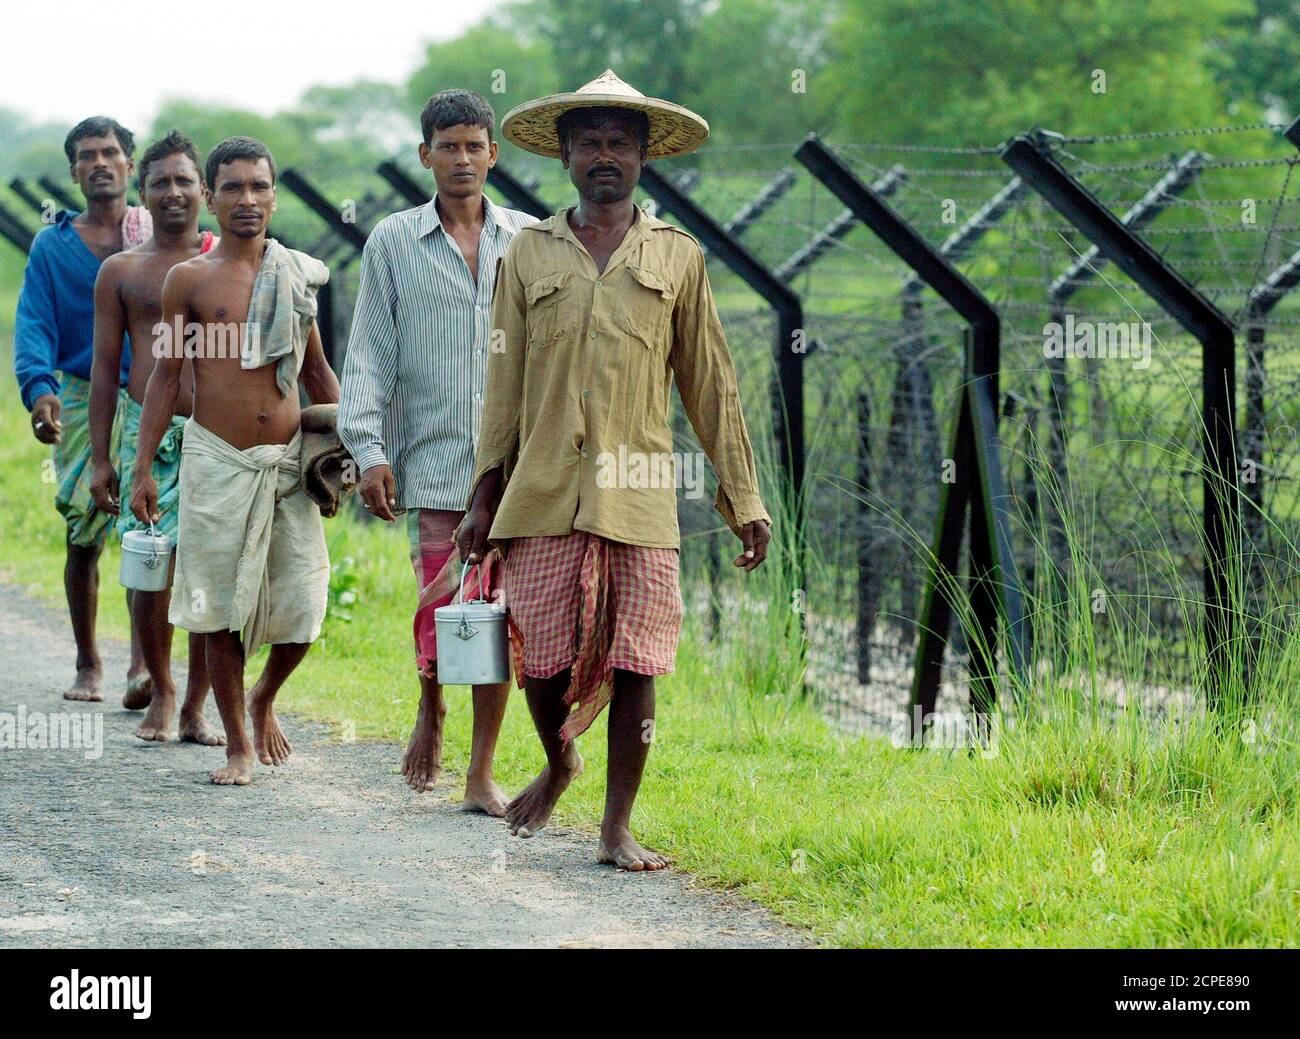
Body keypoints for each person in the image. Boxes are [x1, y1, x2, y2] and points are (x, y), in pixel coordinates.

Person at [459, 71, 772, 870]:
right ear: (565, 157)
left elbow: (711, 382)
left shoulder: (677, 256)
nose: (606, 155)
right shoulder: (527, 254)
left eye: (620, 142)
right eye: (590, 142)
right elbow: (503, 381)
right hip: (540, 488)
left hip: (637, 493)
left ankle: (614, 826)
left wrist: (744, 499)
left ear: (642, 157)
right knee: (542, 652)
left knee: (638, 658)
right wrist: (481, 494)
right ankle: (561, 758)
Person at [338, 90, 537, 814]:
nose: (461, 158)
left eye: (473, 145)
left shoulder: (529, 239)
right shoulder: (393, 241)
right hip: (434, 459)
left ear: (493, 153)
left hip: (519, 470)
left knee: (501, 617)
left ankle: (481, 771)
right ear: (425, 155)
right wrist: (368, 449)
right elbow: (369, 355)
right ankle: (431, 700)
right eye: (446, 146)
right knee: (441, 605)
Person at [130, 136, 339, 786]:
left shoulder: (295, 276)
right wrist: (142, 467)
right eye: (234, 188)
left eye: (258, 187)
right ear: (212, 198)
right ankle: (238, 746)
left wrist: (354, 453)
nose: (247, 199)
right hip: (217, 465)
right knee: (217, 607)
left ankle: (264, 694)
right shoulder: (188, 280)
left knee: (304, 605)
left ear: (273, 196)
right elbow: (167, 374)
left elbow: (318, 374)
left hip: (285, 468)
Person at [14, 115, 154, 704]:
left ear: (129, 163)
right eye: (87, 155)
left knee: (149, 530)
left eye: (111, 152)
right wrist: (38, 388)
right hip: (77, 393)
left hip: (152, 391)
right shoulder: (53, 244)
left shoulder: (156, 238)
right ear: (73, 171)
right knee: (83, 528)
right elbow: (35, 322)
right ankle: (88, 662)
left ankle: (142, 667)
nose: (100, 162)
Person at [88, 129, 221, 745]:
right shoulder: (123, 270)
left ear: (204, 191)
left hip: (218, 439)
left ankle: (197, 703)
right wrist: (101, 460)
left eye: (184, 181)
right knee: (150, 568)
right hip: (147, 437)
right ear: (143, 193)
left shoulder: (231, 261)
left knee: (210, 573)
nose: (173, 192)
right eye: (161, 182)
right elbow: (103, 367)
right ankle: (161, 691)